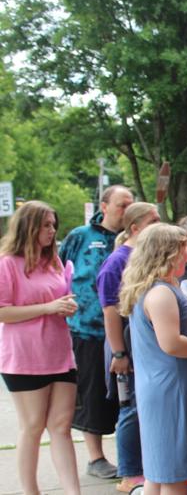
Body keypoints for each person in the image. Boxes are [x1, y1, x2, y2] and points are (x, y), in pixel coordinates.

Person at [119, 223, 187, 494]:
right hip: (172, 392)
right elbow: (171, 344)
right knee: (175, 475)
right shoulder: (160, 293)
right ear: (165, 253)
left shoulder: (157, 287)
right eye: (181, 249)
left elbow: (171, 331)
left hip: (162, 388)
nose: (185, 255)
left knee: (158, 472)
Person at [0, 201, 81, 495]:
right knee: (33, 426)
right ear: (29, 227)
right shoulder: (8, 263)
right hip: (25, 356)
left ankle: (74, 492)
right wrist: (48, 307)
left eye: (53, 224)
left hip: (60, 352)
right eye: (46, 225)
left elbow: (58, 299)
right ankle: (30, 491)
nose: (52, 230)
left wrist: (66, 305)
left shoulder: (55, 261)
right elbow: (2, 312)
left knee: (61, 425)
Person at [59, 185, 133, 479]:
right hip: (88, 331)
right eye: (121, 204)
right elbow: (59, 269)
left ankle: (127, 455)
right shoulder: (81, 236)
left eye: (130, 205)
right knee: (92, 394)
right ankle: (95, 457)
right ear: (104, 205)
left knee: (123, 396)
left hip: (126, 330)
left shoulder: (130, 240)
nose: (125, 210)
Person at [96, 202, 159, 492]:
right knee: (130, 407)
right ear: (135, 228)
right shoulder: (117, 262)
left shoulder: (147, 257)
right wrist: (119, 353)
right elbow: (110, 311)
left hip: (146, 345)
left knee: (144, 405)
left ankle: (147, 466)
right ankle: (130, 473)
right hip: (126, 348)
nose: (159, 224)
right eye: (152, 220)